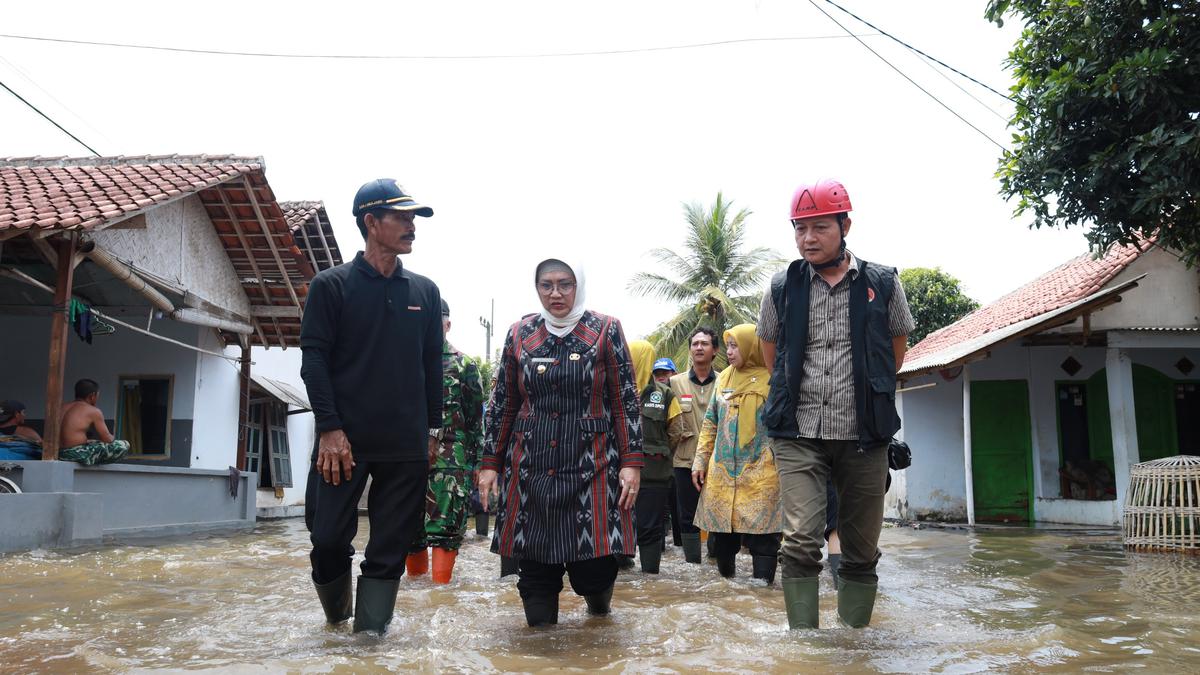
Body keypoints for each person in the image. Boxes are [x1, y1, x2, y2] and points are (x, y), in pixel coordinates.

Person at [758, 179, 913, 629]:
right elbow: (772, 352)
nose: (808, 238)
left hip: (864, 434)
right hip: (798, 432)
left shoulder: (882, 282)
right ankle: (804, 646)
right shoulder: (782, 286)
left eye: (819, 227)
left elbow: (896, 349)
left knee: (861, 550)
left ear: (845, 225)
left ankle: (854, 643)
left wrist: (869, 390)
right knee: (801, 541)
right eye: (800, 228)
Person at [300, 178, 443, 634]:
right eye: (401, 217)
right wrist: (329, 427)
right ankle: (335, 625)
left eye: (414, 218)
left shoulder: (424, 291)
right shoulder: (331, 286)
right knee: (326, 540)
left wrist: (433, 431)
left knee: (389, 546)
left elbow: (431, 366)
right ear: (370, 222)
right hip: (343, 440)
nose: (411, 226)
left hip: (405, 443)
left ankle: (367, 645)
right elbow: (314, 361)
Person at [478, 257, 643, 627]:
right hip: (530, 466)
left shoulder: (606, 329)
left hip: (592, 465)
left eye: (565, 284)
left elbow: (625, 400)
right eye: (546, 285)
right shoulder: (520, 333)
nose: (556, 293)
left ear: (578, 285)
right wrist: (490, 463)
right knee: (535, 572)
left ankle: (599, 618)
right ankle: (540, 654)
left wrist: (631, 462)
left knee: (594, 572)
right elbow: (505, 403)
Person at [691, 324, 781, 584]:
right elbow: (711, 422)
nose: (729, 352)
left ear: (751, 347)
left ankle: (761, 594)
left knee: (764, 538)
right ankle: (728, 594)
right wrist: (700, 460)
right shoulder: (724, 379)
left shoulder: (773, 378)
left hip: (762, 474)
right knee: (722, 536)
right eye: (728, 346)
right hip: (722, 473)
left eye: (735, 346)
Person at [406, 298, 485, 584]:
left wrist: (478, 462)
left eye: (436, 321)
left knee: (446, 529)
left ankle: (440, 595)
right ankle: (415, 593)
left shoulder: (464, 365)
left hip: (452, 458)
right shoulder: (404, 361)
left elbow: (476, 419)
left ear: (447, 324)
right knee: (408, 529)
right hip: (407, 457)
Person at [628, 341, 689, 574]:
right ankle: (621, 565)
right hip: (615, 473)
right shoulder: (611, 391)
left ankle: (649, 577)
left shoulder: (664, 395)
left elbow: (675, 431)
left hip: (654, 472)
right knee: (618, 522)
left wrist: (659, 452)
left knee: (651, 525)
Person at [668, 328, 721, 564]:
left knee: (717, 514)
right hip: (684, 460)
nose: (699, 347)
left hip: (719, 461)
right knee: (687, 515)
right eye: (695, 344)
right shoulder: (674, 383)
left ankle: (716, 562)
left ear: (715, 350)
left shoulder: (725, 381)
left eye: (705, 344)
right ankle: (692, 568)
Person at [58, 380, 129, 465]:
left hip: (57, 453)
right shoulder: (93, 411)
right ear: (92, 396)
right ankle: (91, 461)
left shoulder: (60, 407)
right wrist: (113, 438)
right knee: (123, 445)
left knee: (92, 442)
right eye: (97, 396)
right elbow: (107, 439)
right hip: (76, 454)